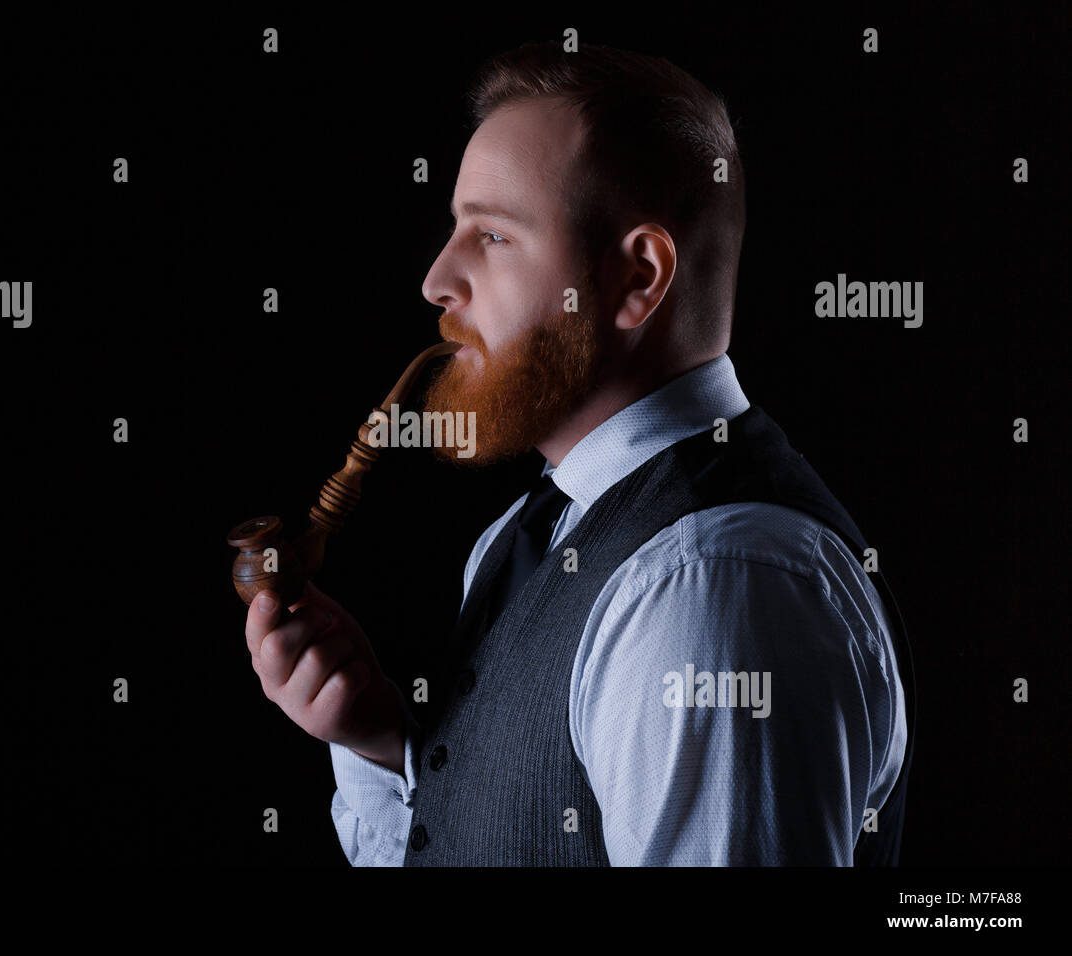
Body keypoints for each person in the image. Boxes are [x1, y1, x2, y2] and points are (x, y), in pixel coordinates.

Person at [242, 40, 914, 866]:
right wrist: (382, 746)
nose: (437, 280)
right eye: (456, 229)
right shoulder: (524, 538)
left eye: (491, 236)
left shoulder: (707, 587)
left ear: (638, 277)